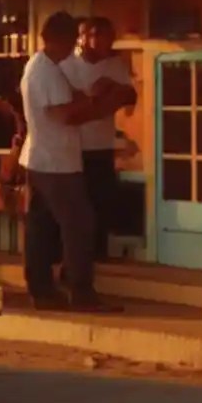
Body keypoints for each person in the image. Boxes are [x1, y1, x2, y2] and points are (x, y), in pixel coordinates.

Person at [19, 11, 120, 312]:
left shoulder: (45, 67)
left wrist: (85, 99)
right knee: (79, 224)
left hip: (44, 158)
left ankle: (42, 289)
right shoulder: (45, 71)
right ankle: (80, 290)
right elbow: (64, 114)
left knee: (41, 226)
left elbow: (72, 99)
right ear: (61, 40)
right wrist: (98, 105)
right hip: (55, 162)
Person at [60, 16, 137, 257]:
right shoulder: (66, 66)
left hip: (101, 146)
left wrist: (112, 89)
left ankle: (98, 254)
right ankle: (72, 256)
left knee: (102, 200)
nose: (107, 42)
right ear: (83, 37)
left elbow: (129, 96)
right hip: (73, 147)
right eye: (100, 36)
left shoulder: (115, 66)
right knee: (75, 205)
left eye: (110, 37)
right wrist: (94, 99)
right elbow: (67, 107)